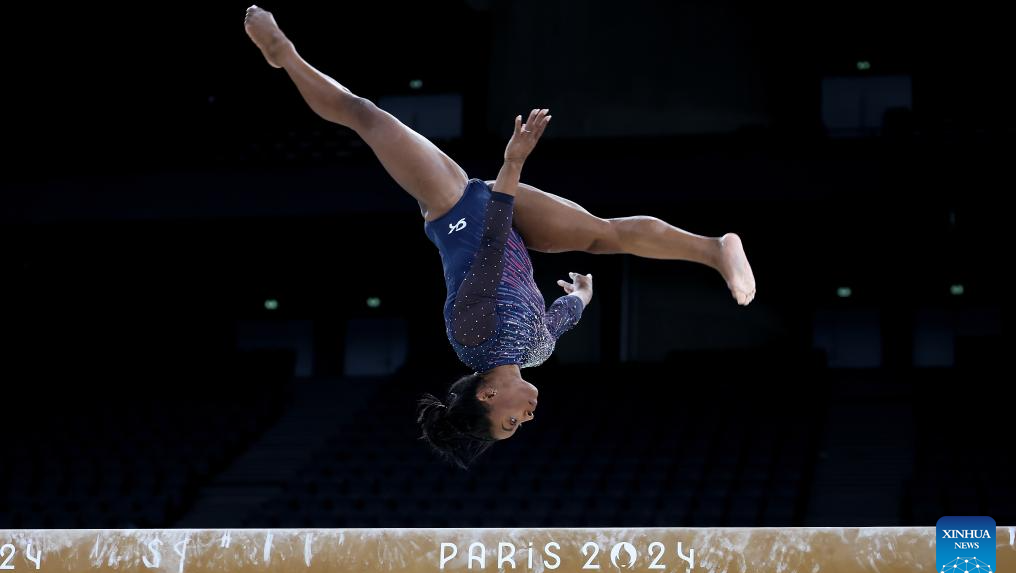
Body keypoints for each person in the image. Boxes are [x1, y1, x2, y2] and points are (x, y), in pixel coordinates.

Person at [243, 6, 755, 469]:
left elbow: (489, 246)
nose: (525, 419)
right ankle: (713, 249)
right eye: (519, 427)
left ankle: (283, 54)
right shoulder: (535, 353)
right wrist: (581, 295)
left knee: (366, 115)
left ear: (487, 397)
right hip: (509, 223)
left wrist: (513, 163)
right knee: (604, 236)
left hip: (458, 211)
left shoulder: (471, 337)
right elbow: (559, 319)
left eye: (510, 422)